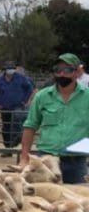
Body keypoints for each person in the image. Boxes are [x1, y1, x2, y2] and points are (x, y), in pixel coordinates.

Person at [21, 53, 89, 184]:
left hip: (76, 161)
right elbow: (30, 126)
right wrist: (24, 158)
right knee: (44, 198)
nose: (62, 74)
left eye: (67, 70)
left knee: (77, 201)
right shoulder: (42, 96)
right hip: (45, 160)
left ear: (77, 72)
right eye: (58, 70)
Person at [0, 60, 34, 157]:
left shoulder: (21, 78)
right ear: (5, 70)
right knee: (6, 128)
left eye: (12, 68)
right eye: (8, 68)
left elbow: (29, 89)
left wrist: (25, 100)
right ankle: (8, 148)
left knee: (17, 125)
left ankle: (16, 141)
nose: (10, 70)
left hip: (18, 106)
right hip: (5, 107)